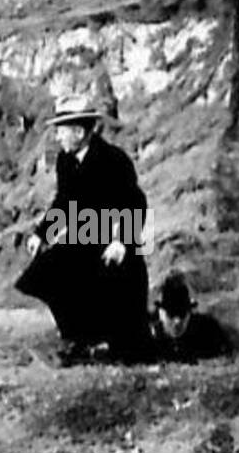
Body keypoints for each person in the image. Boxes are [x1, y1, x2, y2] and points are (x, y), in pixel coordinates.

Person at [16, 94, 152, 365]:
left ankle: (105, 342)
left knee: (124, 330)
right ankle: (76, 340)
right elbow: (65, 203)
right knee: (44, 274)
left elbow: (135, 202)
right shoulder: (66, 162)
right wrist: (43, 234)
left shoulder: (114, 160)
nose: (57, 137)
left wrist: (122, 241)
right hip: (82, 241)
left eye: (61, 131)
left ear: (79, 132)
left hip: (114, 245)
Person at [150, 272, 233, 362]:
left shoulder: (209, 331)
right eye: (171, 314)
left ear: (190, 312)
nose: (177, 321)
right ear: (160, 312)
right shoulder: (146, 336)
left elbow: (229, 356)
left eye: (182, 314)